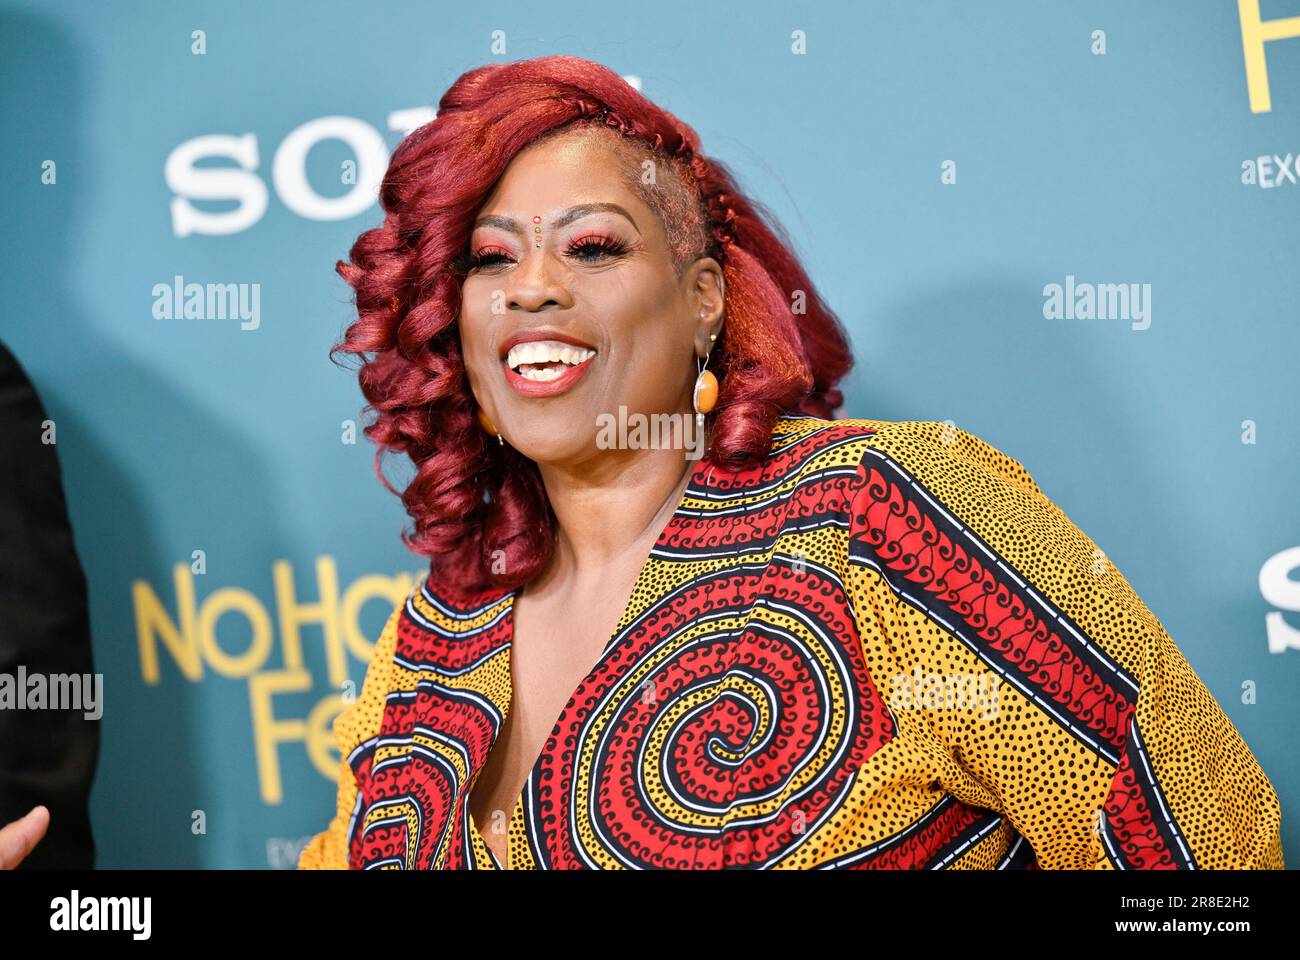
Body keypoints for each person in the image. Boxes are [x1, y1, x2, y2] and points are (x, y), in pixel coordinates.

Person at [299, 55, 1283, 870]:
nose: (534, 290)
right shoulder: (435, 632)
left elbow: (1199, 848)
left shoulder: (869, 514)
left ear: (703, 302)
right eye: (489, 259)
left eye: (593, 247)